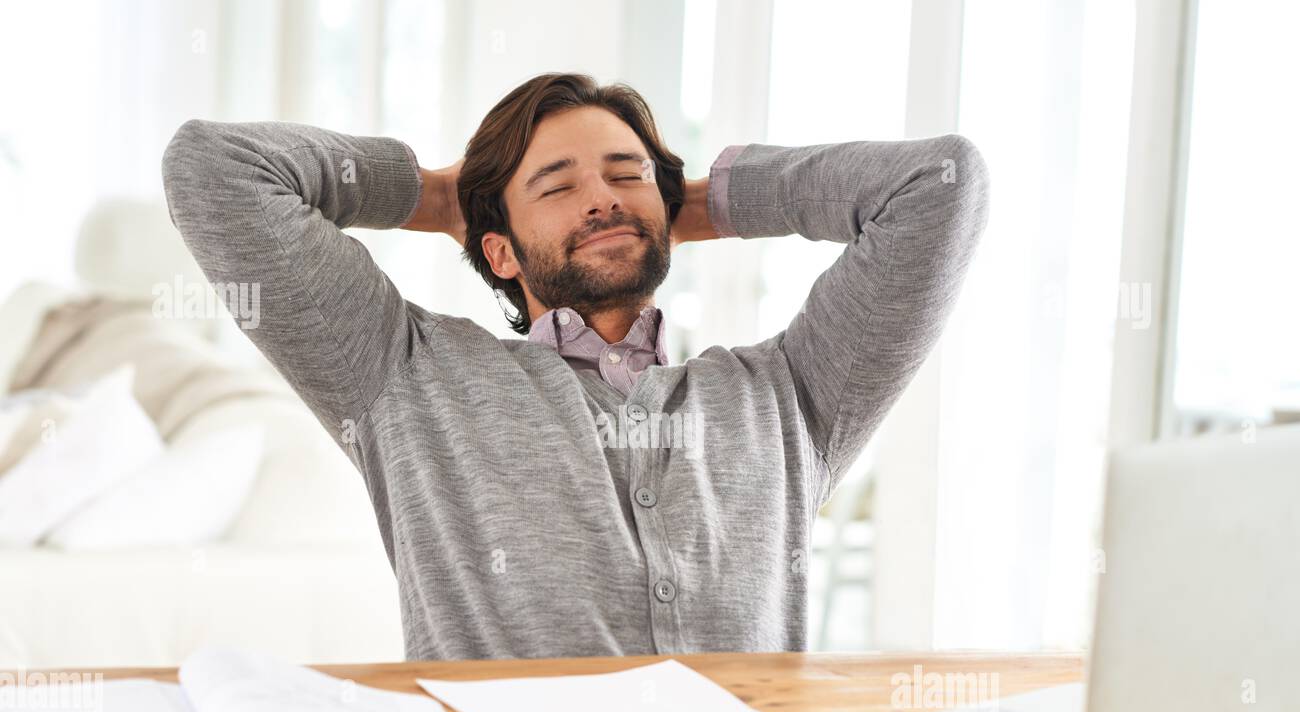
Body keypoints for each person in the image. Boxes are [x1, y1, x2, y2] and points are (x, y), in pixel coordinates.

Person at [161, 72, 990, 661]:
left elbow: (940, 184)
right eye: (556, 187)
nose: (603, 197)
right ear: (498, 248)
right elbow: (214, 169)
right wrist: (437, 196)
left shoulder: (790, 396)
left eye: (627, 175)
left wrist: (703, 205)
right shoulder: (404, 377)